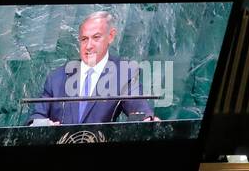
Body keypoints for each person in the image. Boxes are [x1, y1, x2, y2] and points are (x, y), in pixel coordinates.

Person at [25, 12, 157, 126]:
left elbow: (139, 107)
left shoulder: (123, 72)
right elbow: (36, 117)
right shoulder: (56, 77)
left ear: (110, 36)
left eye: (96, 37)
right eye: (84, 39)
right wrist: (43, 125)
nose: (88, 46)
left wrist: (146, 119)